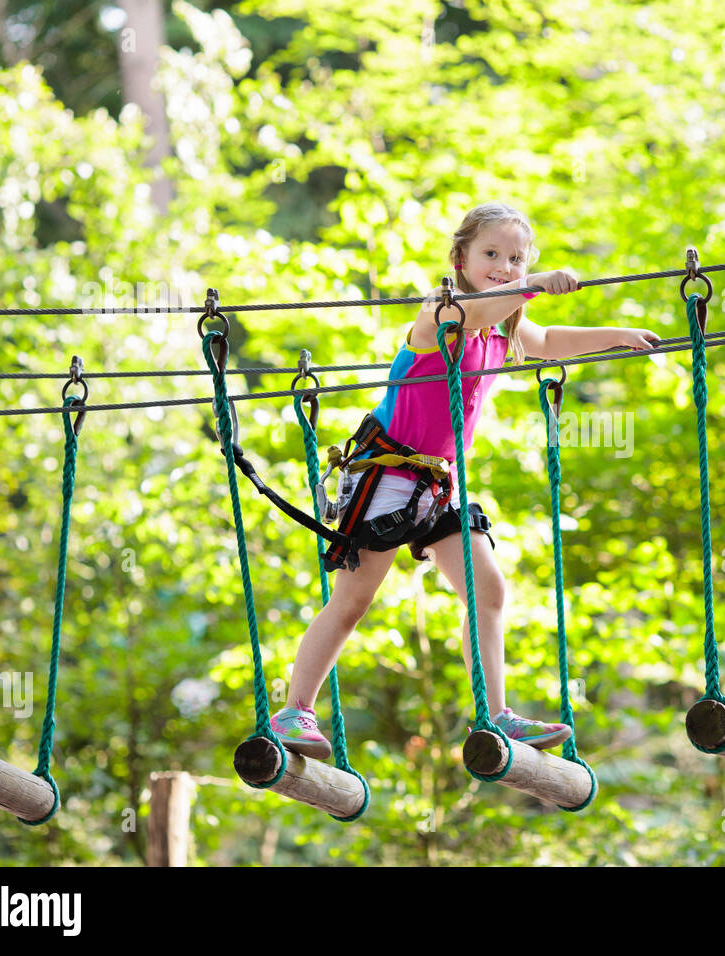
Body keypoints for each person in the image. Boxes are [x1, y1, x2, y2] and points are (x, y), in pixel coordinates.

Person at [270, 201, 660, 759]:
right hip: (388, 476)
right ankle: (294, 712)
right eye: (491, 255)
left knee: (489, 588)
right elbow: (475, 315)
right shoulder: (441, 312)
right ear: (461, 259)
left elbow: (548, 342)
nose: (504, 266)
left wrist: (618, 334)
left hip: (440, 486)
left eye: (516, 259)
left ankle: (495, 714)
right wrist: (535, 286)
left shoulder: (503, 335)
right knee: (355, 600)